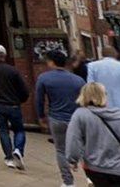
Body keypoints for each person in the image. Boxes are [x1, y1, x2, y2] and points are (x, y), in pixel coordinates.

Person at [36, 50, 86, 187]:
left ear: (52, 62)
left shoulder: (44, 78)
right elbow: (84, 101)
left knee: (61, 150)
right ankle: (90, 177)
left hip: (56, 118)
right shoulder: (78, 80)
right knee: (82, 149)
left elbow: (39, 100)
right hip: (76, 118)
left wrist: (41, 117)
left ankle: (68, 182)